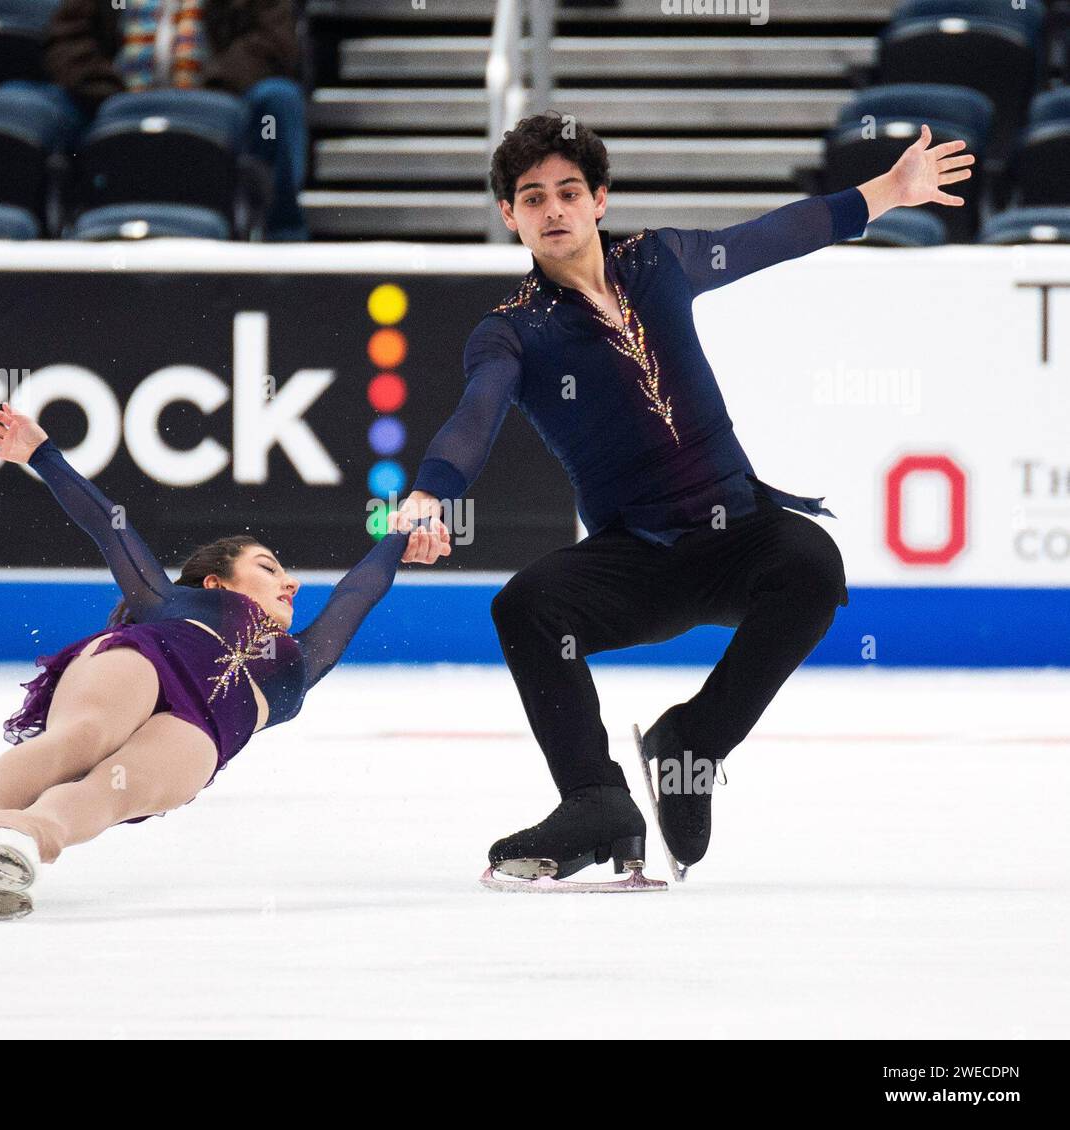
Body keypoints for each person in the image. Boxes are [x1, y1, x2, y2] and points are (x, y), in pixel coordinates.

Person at [389, 112, 973, 883]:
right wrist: (432, 490)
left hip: (740, 536)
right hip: (641, 562)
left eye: (569, 191)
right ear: (510, 215)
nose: (554, 210)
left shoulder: (659, 262)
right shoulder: (512, 333)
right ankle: (596, 800)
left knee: (811, 564)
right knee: (525, 606)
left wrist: (886, 192)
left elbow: (775, 233)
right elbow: (476, 413)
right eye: (533, 198)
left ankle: (691, 742)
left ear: (600, 198)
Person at [0, 402, 447, 919]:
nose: (290, 582)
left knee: (109, 791)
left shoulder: (301, 659)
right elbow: (110, 525)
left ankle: (19, 841)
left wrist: (401, 538)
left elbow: (357, 593)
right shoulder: (174, 601)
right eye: (268, 567)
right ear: (216, 581)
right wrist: (42, 454)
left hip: (201, 730)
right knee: (81, 738)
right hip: (144, 661)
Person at [42, 0, 311, 240]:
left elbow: (272, 41)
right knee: (37, 107)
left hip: (225, 103)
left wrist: (213, 90)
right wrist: (104, 90)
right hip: (111, 104)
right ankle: (43, 234)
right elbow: (67, 40)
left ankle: (281, 233)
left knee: (277, 104)